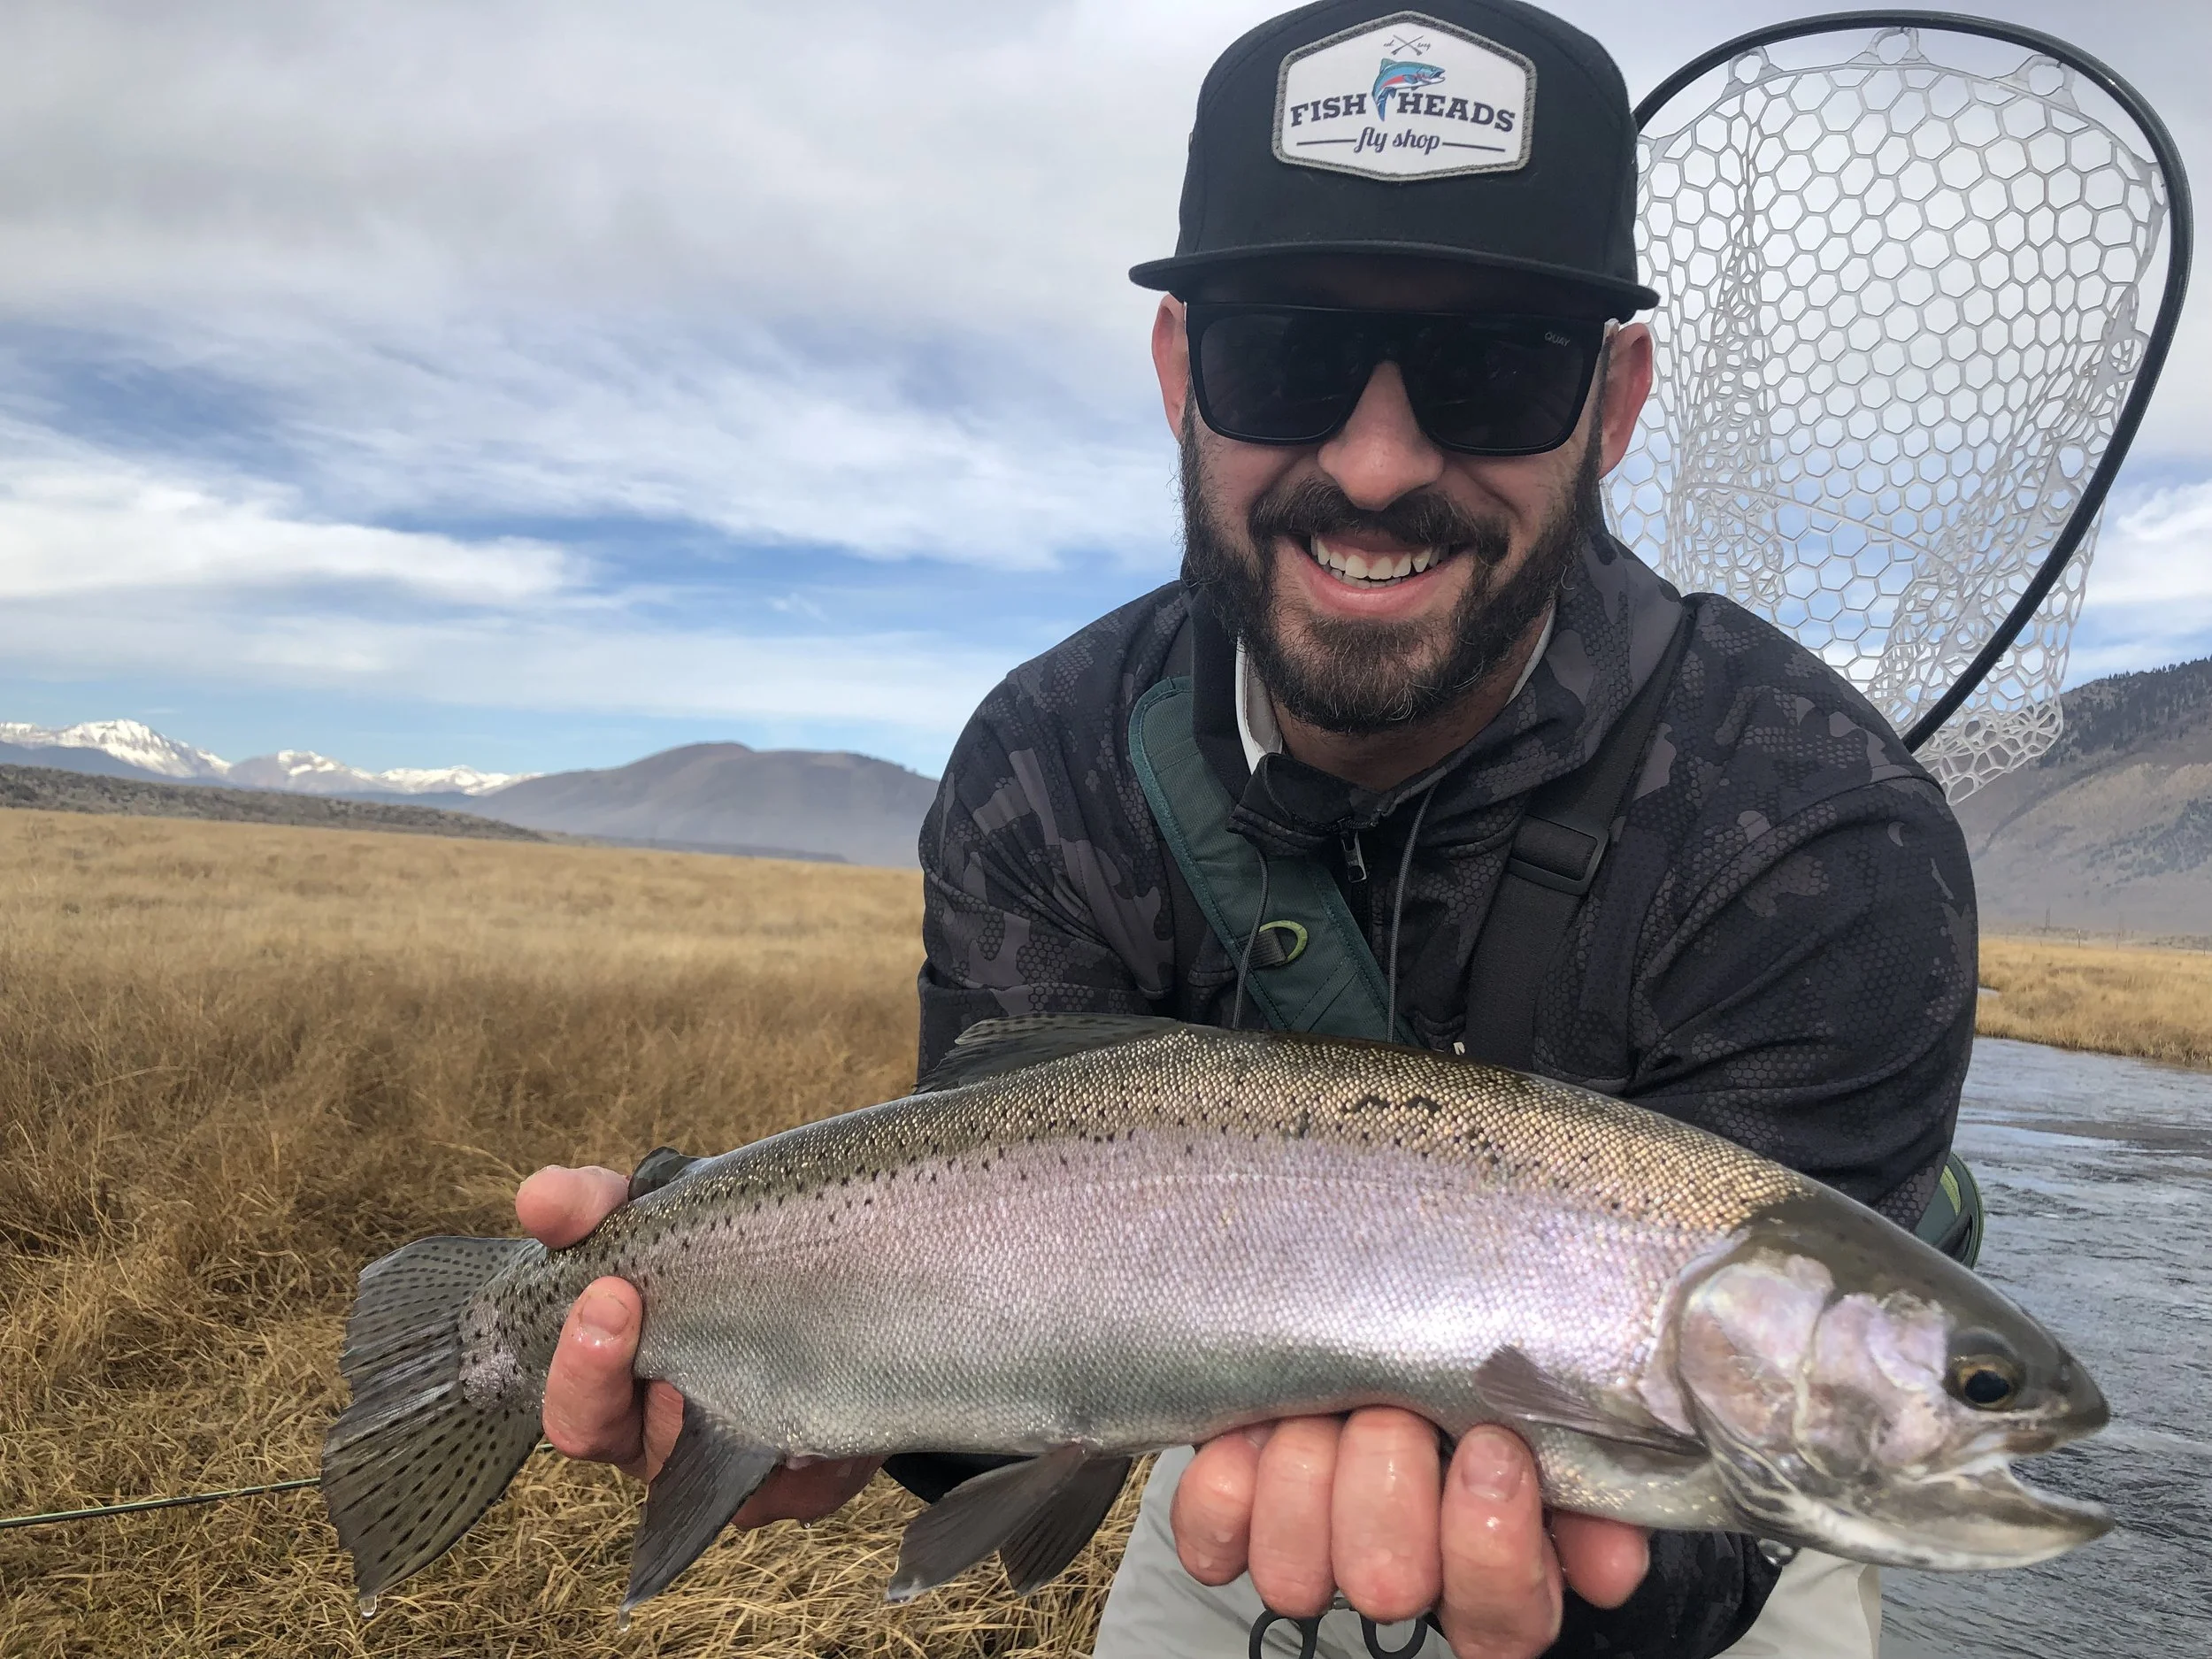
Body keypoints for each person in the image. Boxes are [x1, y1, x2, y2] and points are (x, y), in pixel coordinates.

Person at [515, 2, 1978, 1655]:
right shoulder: (1046, 765)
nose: (1375, 459)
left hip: (1685, 1548)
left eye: (1495, 370)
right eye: (1284, 352)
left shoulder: (1823, 833)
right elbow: (1009, 1361)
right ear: (1178, 375)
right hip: (1214, 1499)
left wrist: (1523, 1550)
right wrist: (802, 1388)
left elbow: (1734, 1532)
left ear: (1616, 398)